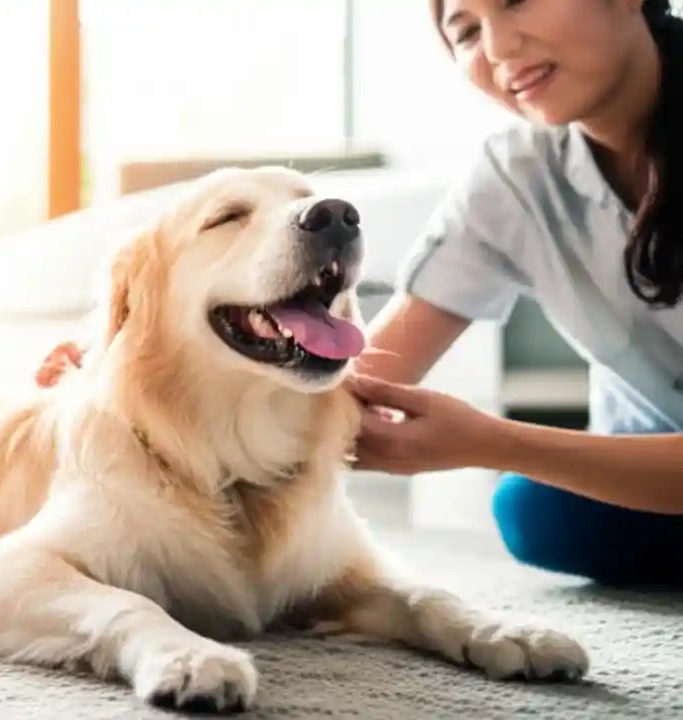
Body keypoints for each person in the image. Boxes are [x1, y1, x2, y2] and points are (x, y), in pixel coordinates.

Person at [37, 0, 683, 587]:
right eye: (465, 31)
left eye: (516, 1)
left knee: (535, 492)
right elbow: (367, 374)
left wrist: (490, 440)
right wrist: (124, 368)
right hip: (645, 466)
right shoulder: (514, 177)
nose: (499, 48)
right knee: (537, 512)